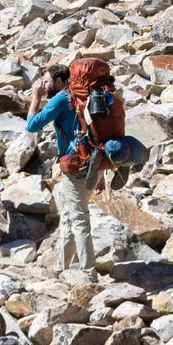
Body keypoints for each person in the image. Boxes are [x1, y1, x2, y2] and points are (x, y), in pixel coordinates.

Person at [27, 57, 124, 274]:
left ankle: (88, 273)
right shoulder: (89, 95)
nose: (43, 85)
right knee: (71, 216)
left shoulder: (62, 99)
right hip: (95, 162)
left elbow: (32, 125)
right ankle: (62, 267)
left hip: (76, 166)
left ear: (60, 82)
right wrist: (100, 174)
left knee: (79, 219)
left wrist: (36, 96)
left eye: (46, 81)